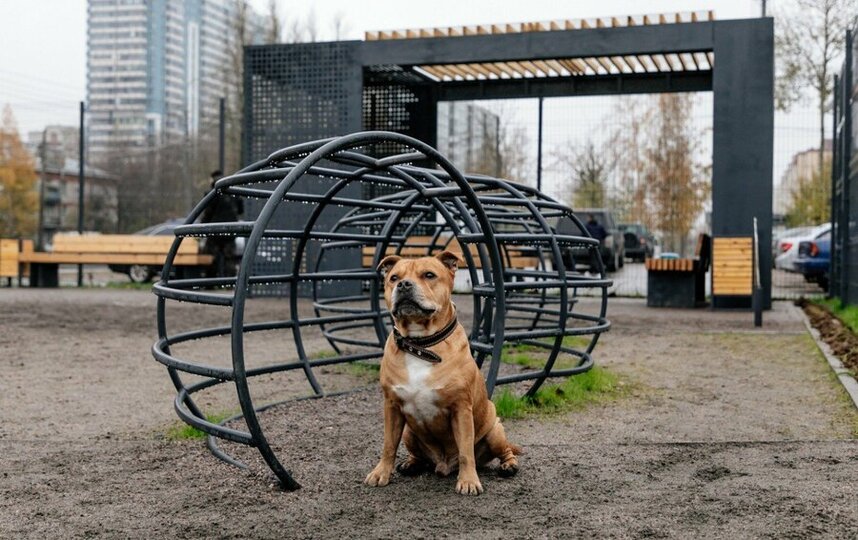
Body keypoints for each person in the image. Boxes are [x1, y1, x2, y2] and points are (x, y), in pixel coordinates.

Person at [200, 170, 244, 277]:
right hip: (231, 229)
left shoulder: (211, 193)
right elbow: (240, 210)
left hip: (214, 229)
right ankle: (228, 281)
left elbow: (208, 212)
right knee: (229, 257)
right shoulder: (235, 194)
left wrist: (202, 225)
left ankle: (210, 282)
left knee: (211, 256)